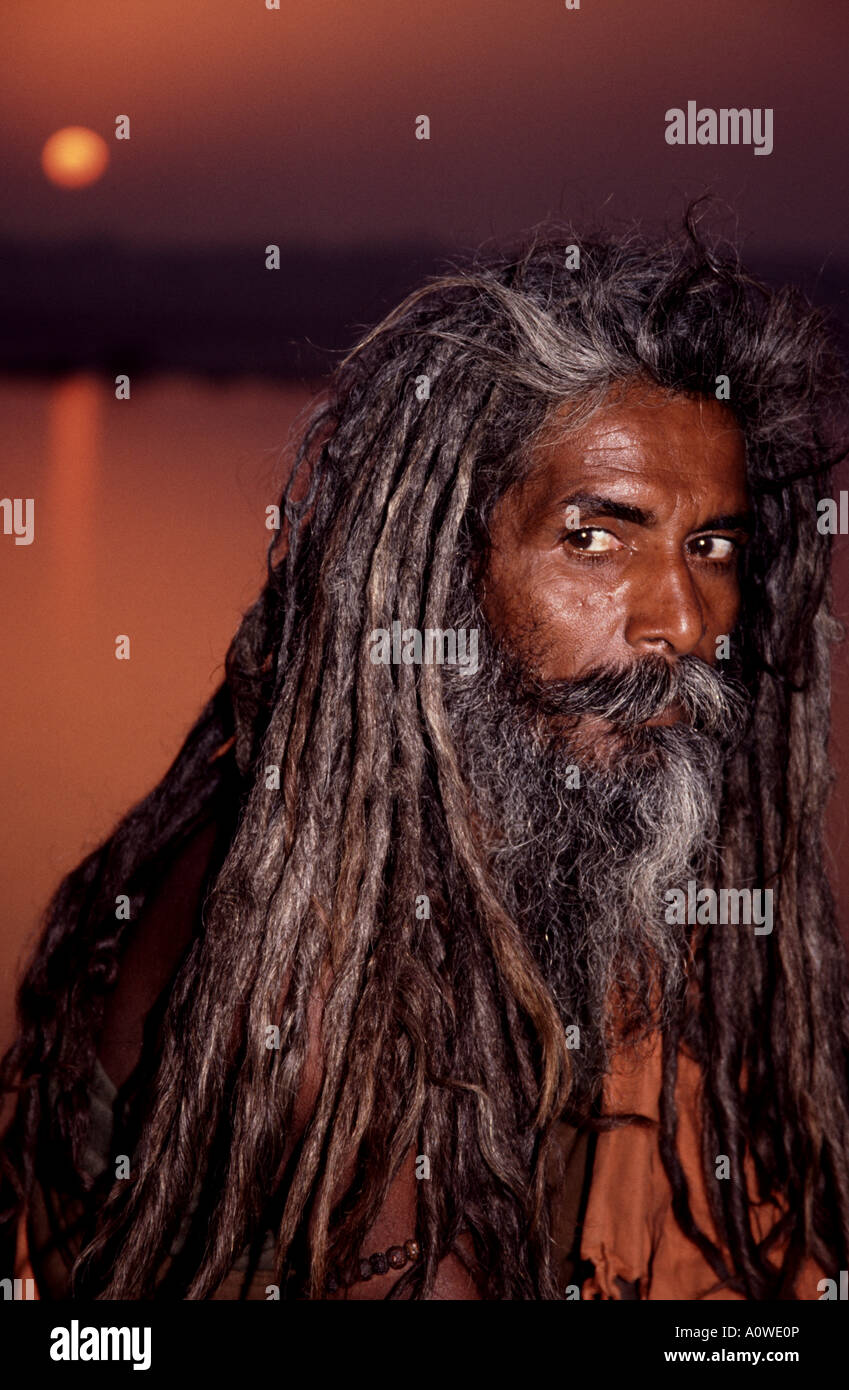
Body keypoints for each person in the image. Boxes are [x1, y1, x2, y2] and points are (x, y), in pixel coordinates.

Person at [2, 215, 848, 1301]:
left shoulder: (573, 834)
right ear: (445, 573)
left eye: (711, 546)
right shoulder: (330, 946)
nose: (680, 618)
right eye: (594, 537)